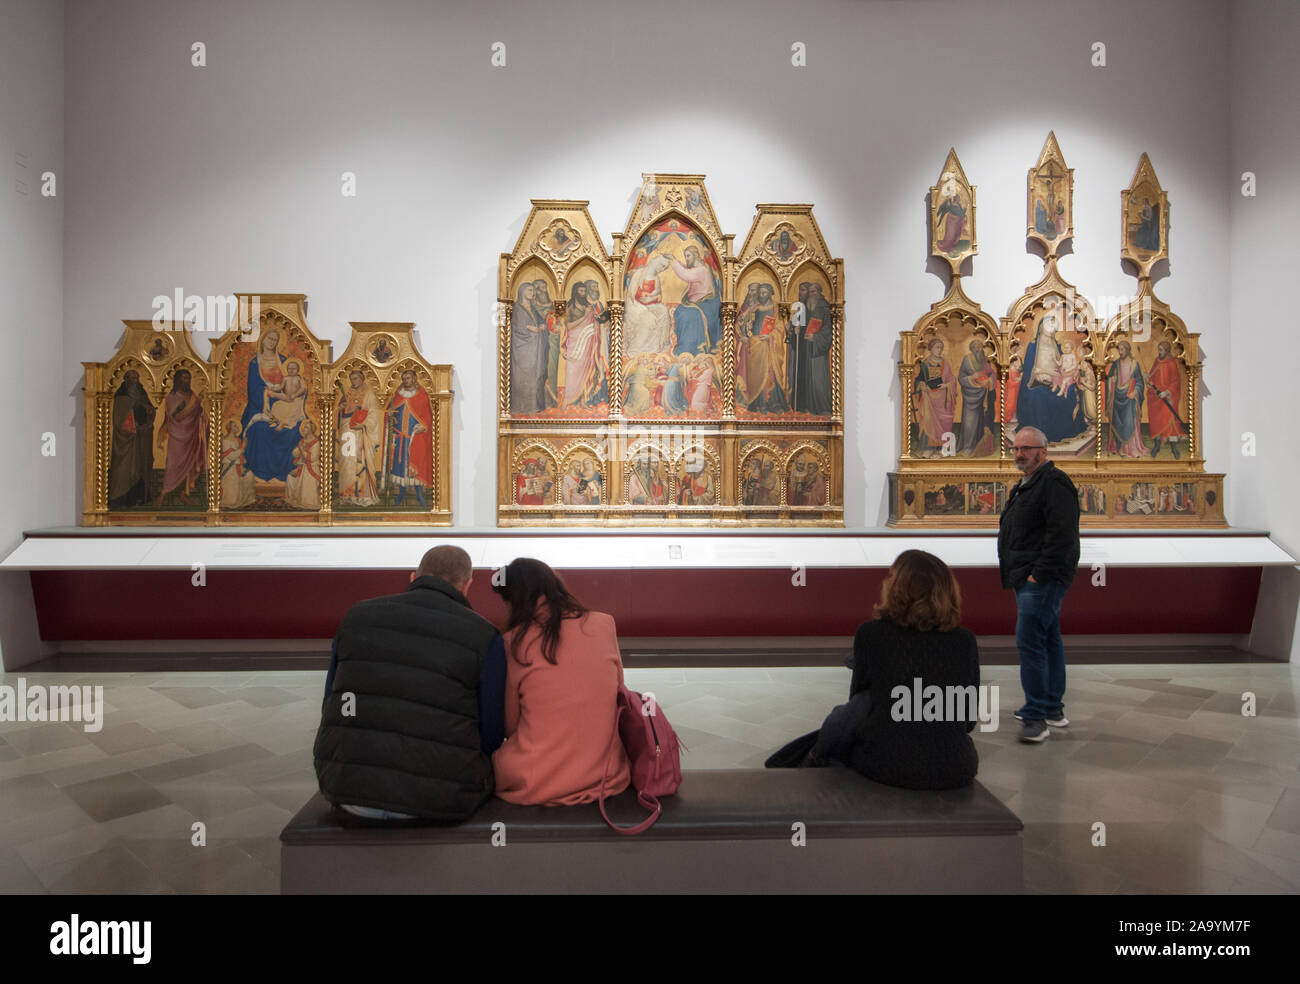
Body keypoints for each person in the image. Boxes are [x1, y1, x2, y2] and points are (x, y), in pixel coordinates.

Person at [314, 545, 506, 820]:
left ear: (413, 577)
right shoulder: (484, 635)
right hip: (443, 796)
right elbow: (491, 732)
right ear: (467, 586)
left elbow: (329, 700)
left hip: (348, 787)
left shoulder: (357, 616)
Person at [767, 550, 979, 791]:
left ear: (897, 588)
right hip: (955, 766)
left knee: (844, 725)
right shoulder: (965, 641)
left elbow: (861, 703)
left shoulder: (872, 634)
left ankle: (811, 762)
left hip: (887, 763)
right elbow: (967, 719)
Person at [490, 558, 631, 806]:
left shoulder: (513, 642)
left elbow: (510, 726)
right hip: (606, 772)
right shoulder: (603, 623)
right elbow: (619, 691)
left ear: (516, 601)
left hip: (535, 778)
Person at [999, 425, 1081, 743]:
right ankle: (1052, 708)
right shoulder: (1029, 483)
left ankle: (1036, 718)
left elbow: (1061, 534)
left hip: (1042, 578)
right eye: (1017, 449)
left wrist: (1039, 573)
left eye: (1027, 449)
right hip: (1028, 575)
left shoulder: (1055, 482)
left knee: (1030, 643)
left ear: (1043, 451)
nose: (1020, 454)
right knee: (1048, 639)